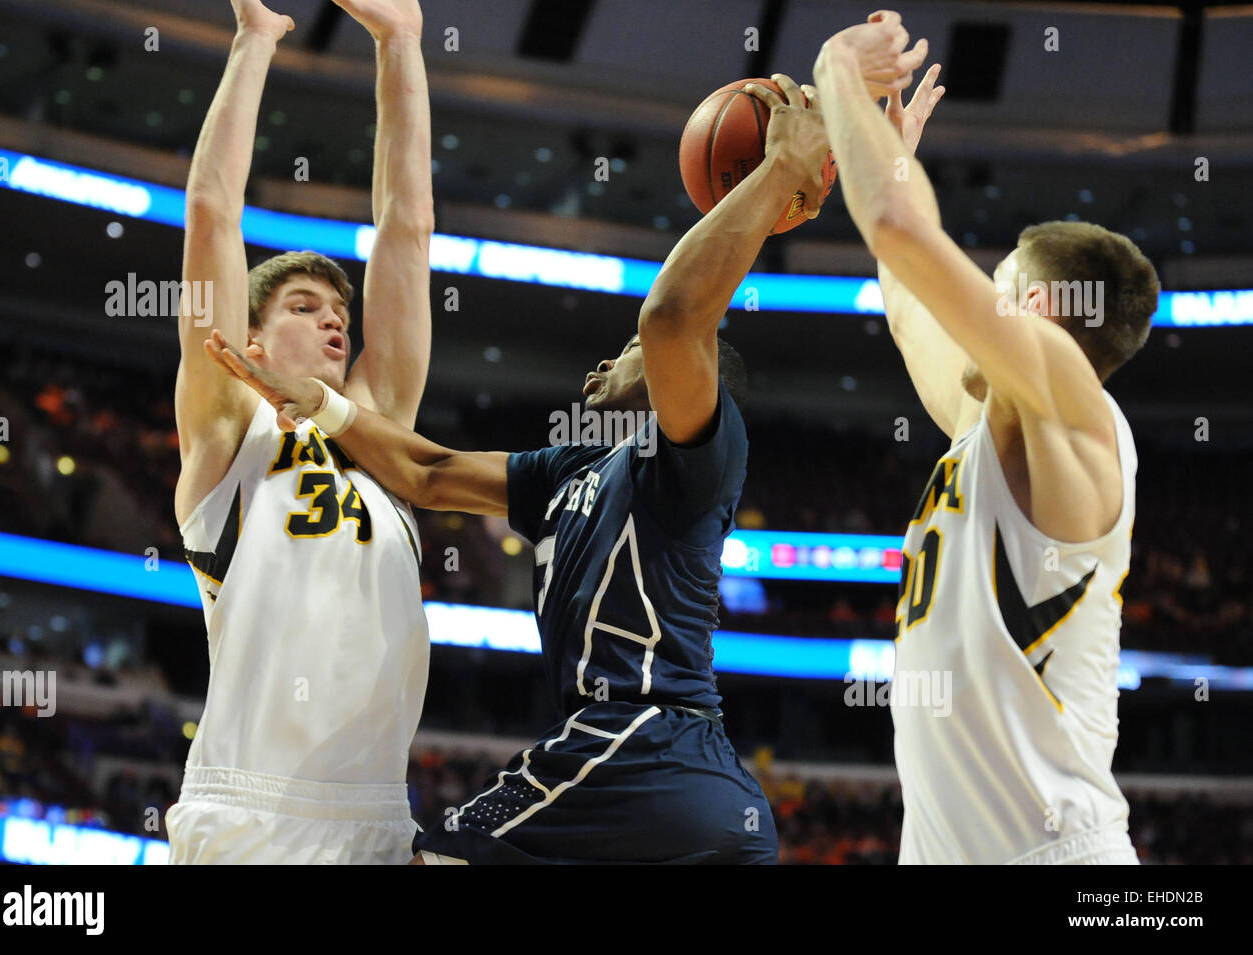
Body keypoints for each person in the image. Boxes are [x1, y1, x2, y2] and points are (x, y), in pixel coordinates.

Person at [204, 43, 919, 862]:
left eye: (616, 358)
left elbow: (672, 318)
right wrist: (326, 405)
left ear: (682, 378)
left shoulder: (696, 453)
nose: (595, 370)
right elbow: (427, 472)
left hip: (634, 746)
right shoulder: (571, 471)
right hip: (708, 797)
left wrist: (776, 171)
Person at [812, 10, 1160, 864]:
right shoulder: (986, 427)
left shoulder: (1071, 410)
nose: (974, 303)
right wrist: (897, 154)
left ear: (1037, 314)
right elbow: (905, 303)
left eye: (997, 283)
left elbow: (902, 230)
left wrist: (835, 72)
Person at [167, 0, 434, 864]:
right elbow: (211, 209)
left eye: (341, 313)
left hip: (381, 818)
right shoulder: (225, 432)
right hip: (251, 811)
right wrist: (253, 41)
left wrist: (402, 45)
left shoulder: (381, 438)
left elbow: (407, 228)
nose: (334, 324)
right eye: (304, 307)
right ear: (248, 340)